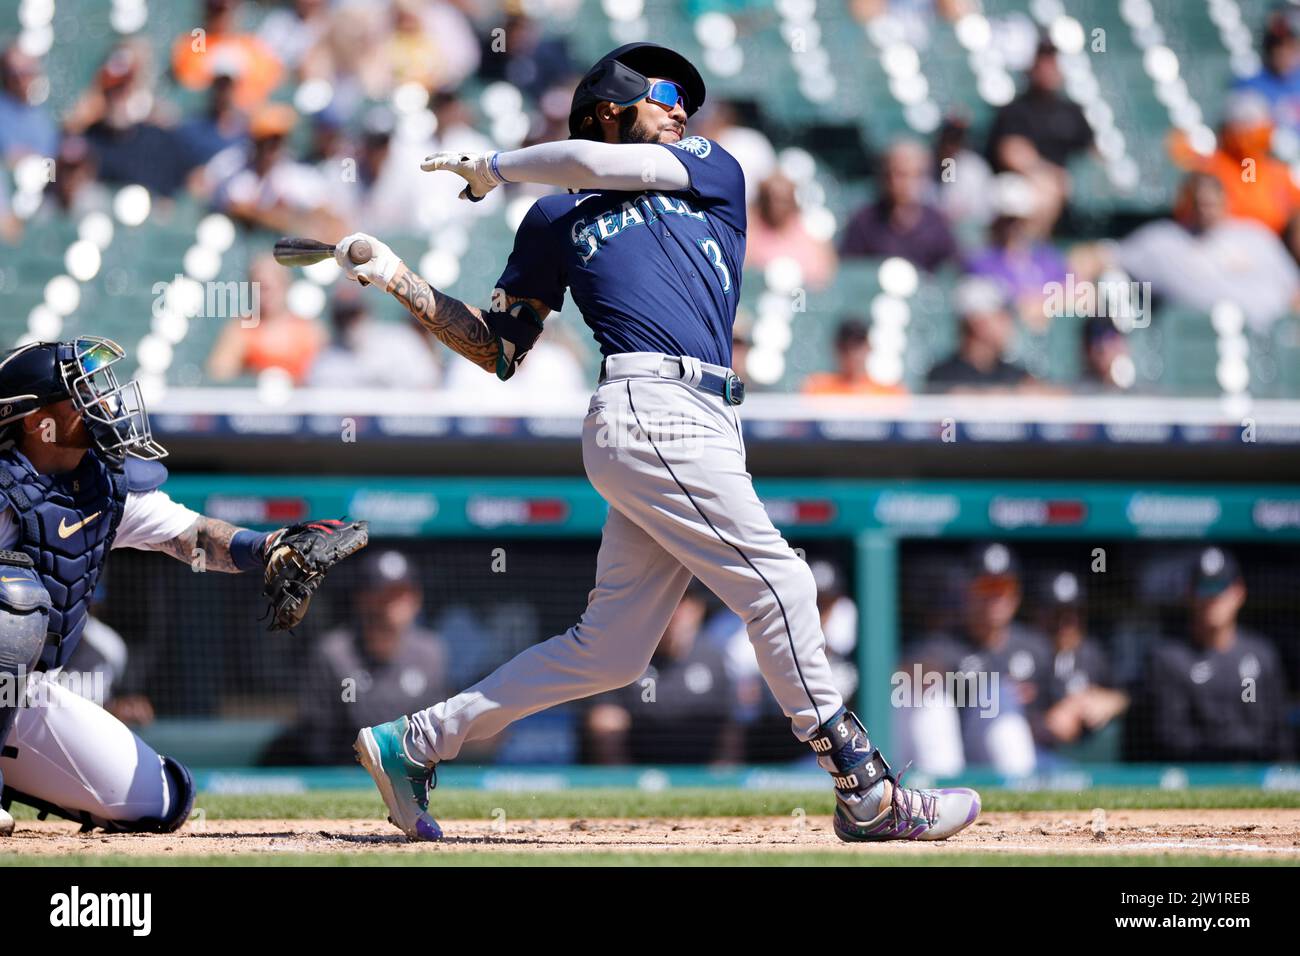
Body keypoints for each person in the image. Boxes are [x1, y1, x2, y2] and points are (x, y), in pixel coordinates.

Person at [339, 42, 980, 843]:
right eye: (666, 92)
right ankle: (869, 792)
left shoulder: (713, 170)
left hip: (706, 415)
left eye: (687, 98)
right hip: (648, 402)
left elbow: (582, 158)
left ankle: (415, 742)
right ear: (610, 105)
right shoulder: (554, 215)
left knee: (609, 653)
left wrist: (497, 165)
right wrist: (404, 283)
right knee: (780, 583)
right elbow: (498, 349)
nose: (684, 109)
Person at [0, 337, 364, 836]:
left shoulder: (101, 485)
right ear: (33, 418)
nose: (101, 403)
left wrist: (269, 547)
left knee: (162, 802)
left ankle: (21, 778)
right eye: (80, 394)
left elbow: (191, 537)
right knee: (13, 601)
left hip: (25, 698)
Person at [263, 550, 449, 765]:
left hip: (413, 771)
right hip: (348, 773)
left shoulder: (431, 653)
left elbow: (437, 732)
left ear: (416, 599)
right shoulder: (334, 654)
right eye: (384, 593)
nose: (394, 603)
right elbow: (317, 737)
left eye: (401, 592)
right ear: (363, 599)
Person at [899, 543, 1052, 776]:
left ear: (1016, 593)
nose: (995, 597)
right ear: (967, 591)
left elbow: (1058, 708)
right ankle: (945, 790)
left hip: (1020, 753)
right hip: (945, 751)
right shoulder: (943, 644)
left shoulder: (1035, 647)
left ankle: (1020, 794)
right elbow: (902, 676)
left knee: (999, 695)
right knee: (932, 695)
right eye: (986, 586)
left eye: (1003, 586)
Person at [1080, 172, 1300, 332]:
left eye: (1212, 203)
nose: (1205, 210)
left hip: (1261, 341)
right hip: (1189, 341)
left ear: (1226, 202)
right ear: (1185, 203)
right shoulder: (1161, 241)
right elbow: (1100, 256)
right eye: (1199, 203)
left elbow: (1293, 292)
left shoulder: (1256, 237)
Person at [1134, 548, 1291, 763]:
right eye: (1204, 587)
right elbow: (1169, 738)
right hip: (1195, 774)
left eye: (1220, 586)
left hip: (1256, 771)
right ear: (1189, 594)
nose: (1212, 597)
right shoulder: (1167, 658)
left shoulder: (1262, 655)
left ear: (1238, 592)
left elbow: (1279, 734)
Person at [585, 581, 737, 764]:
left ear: (698, 609)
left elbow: (731, 729)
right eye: (665, 601)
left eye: (681, 602)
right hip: (638, 772)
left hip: (700, 774)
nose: (673, 612)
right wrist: (623, 780)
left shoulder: (713, 659)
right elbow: (606, 721)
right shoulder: (624, 656)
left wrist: (720, 778)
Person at [984, 38, 1092, 236]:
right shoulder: (1016, 109)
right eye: (1042, 61)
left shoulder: (1072, 111)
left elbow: (1092, 150)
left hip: (1064, 185)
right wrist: (1051, 175)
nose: (1047, 68)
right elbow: (1012, 153)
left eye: (1052, 61)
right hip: (1021, 183)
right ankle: (1028, 254)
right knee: (1037, 192)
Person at [1026, 571, 1127, 751]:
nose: (1066, 623)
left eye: (1074, 613)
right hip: (1034, 755)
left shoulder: (1092, 654)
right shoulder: (1027, 654)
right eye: (1057, 614)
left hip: (1087, 759)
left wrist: (1112, 700)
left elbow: (1128, 694)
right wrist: (1046, 721)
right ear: (1040, 614)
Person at [207, 254, 327, 385]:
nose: (265, 296)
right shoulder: (241, 329)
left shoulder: (310, 331)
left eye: (269, 288)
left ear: (285, 286)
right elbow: (220, 373)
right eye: (258, 288)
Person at [840, 139, 959, 271]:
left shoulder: (936, 224)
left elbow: (952, 271)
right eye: (899, 174)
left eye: (916, 175)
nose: (906, 183)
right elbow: (849, 269)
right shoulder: (864, 222)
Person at [308, 293, 441, 389]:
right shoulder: (327, 361)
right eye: (343, 318)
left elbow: (428, 384)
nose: (350, 324)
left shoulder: (400, 341)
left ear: (367, 314)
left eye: (355, 316)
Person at [926, 277, 1034, 392]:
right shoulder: (943, 377)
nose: (1009, 326)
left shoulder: (1016, 376)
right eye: (1001, 318)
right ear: (978, 323)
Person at [744, 171, 836, 289]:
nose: (776, 205)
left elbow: (824, 274)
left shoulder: (811, 229)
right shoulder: (748, 231)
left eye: (784, 199)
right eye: (770, 198)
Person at [802, 317, 906, 396]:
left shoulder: (890, 394)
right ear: (836, 349)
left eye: (858, 345)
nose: (853, 353)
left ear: (869, 347)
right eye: (846, 347)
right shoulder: (816, 389)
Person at [0, 45, 58, 164]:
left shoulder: (43, 117)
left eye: (28, 72)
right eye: (15, 74)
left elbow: (50, 170)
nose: (22, 80)